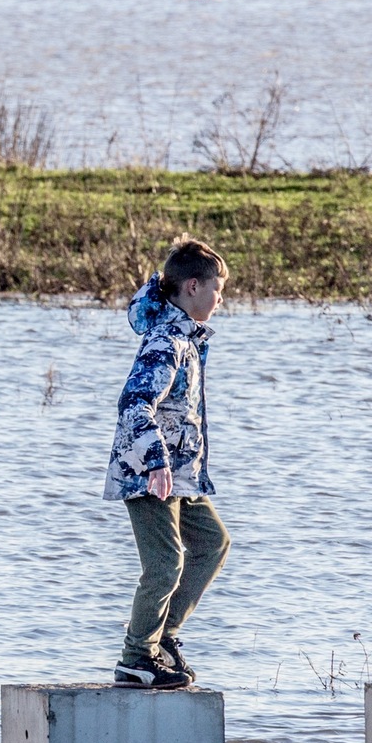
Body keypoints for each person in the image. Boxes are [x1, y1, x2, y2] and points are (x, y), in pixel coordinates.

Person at [105, 239, 231, 690]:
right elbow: (134, 403)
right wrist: (156, 461)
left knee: (213, 542)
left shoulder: (185, 337)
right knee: (164, 565)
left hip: (180, 475)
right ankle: (136, 657)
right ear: (193, 286)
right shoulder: (166, 340)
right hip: (148, 471)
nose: (221, 299)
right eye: (218, 289)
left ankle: (163, 638)